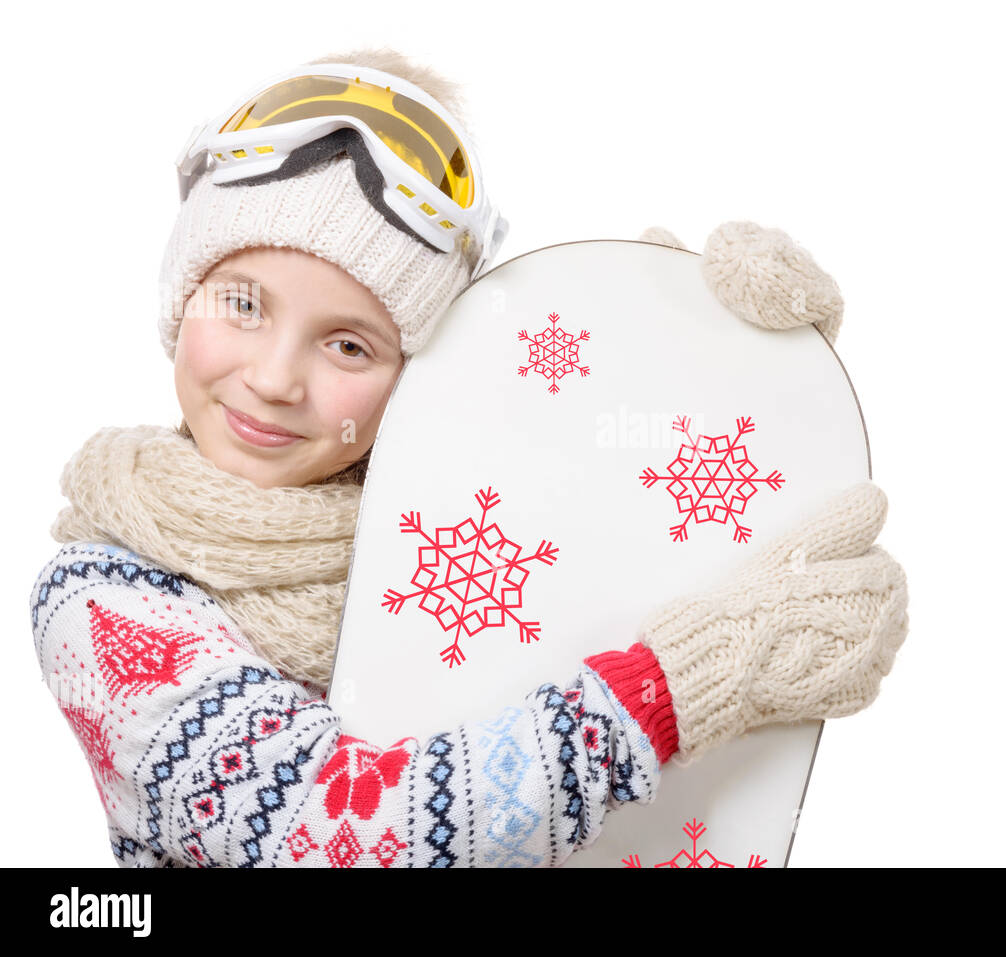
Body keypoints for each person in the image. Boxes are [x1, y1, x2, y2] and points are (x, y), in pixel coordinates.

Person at [30, 47, 909, 867]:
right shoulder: (101, 598)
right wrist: (696, 680)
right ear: (180, 298)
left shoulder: (457, 523)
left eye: (348, 346)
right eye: (242, 302)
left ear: (417, 382)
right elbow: (342, 834)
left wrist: (720, 361)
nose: (272, 379)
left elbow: (610, 544)